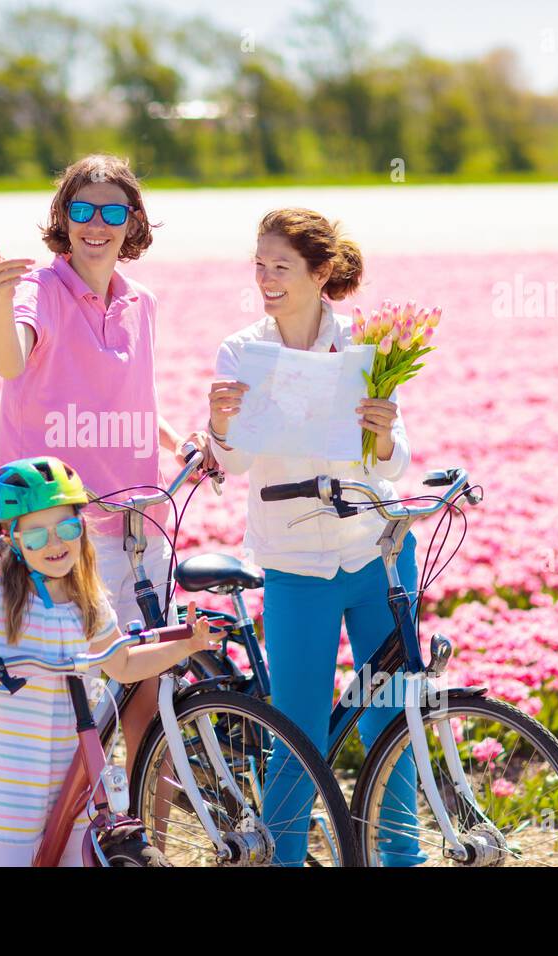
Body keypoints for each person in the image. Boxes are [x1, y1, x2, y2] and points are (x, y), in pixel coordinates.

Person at [206, 208, 425, 867]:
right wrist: (219, 424)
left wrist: (384, 430)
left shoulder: (365, 343)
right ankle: (285, 858)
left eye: (281, 266)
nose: (266, 278)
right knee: (297, 727)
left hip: (378, 554)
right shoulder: (243, 351)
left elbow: (395, 463)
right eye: (260, 264)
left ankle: (402, 858)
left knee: (390, 716)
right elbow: (235, 464)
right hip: (295, 561)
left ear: (320, 272)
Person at [0, 153, 212, 767]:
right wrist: (2, 301)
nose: (97, 223)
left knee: (152, 694)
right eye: (82, 209)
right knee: (70, 701)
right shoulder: (39, 288)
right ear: (64, 217)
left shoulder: (142, 302)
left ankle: (148, 845)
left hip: (142, 524)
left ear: (133, 221)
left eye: (114, 210)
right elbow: (11, 363)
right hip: (64, 529)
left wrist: (176, 444)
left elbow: (133, 399)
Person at [0, 456, 218, 866]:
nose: (55, 544)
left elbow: (123, 664)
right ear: (11, 540)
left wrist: (184, 646)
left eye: (67, 528)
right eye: (36, 536)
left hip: (72, 777)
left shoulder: (88, 601)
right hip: (5, 784)